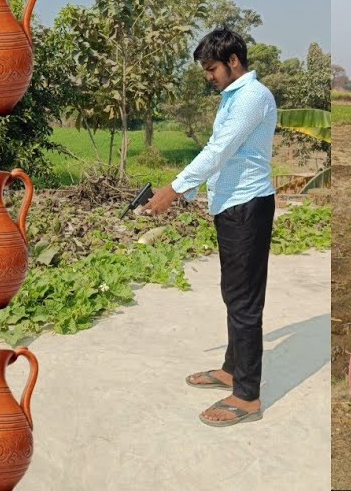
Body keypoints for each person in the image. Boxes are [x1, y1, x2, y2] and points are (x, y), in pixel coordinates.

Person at [144, 28, 277, 427]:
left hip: (247, 206)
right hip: (232, 206)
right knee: (234, 292)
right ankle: (232, 368)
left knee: (244, 301)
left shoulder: (253, 97)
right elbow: (217, 150)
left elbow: (220, 151)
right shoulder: (233, 98)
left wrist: (174, 189)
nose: (209, 76)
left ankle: (247, 395)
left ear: (234, 61)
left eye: (212, 68)